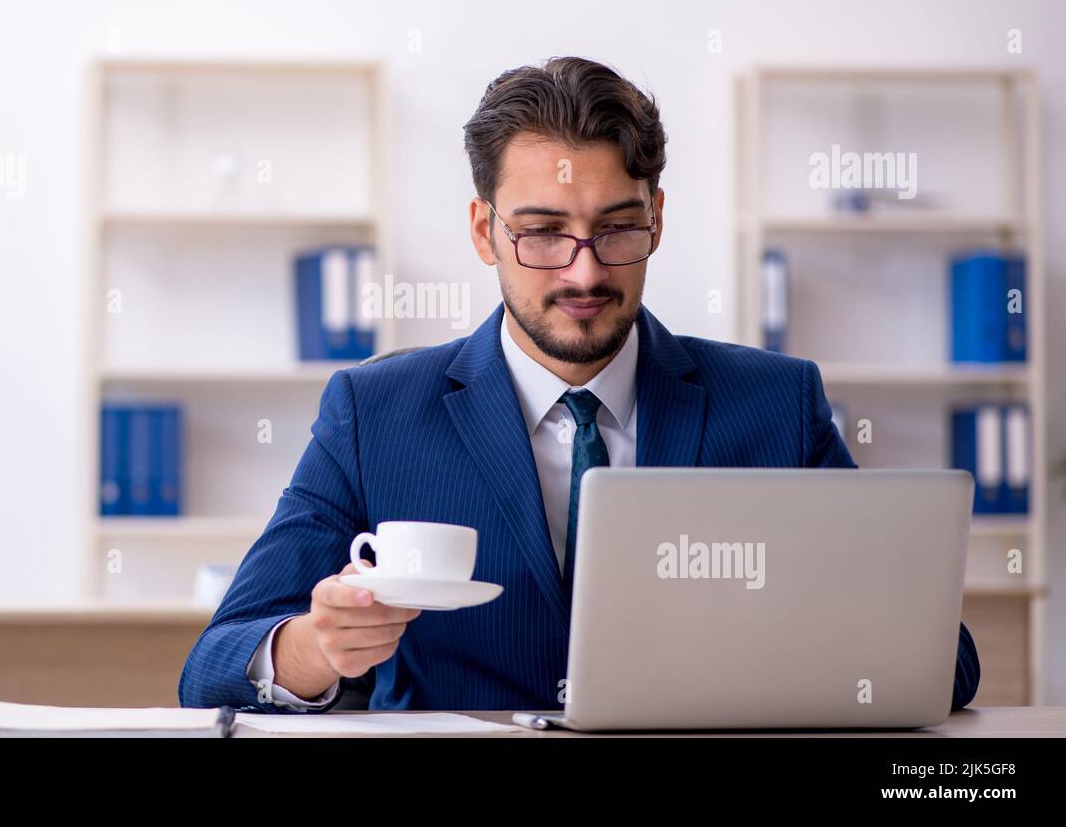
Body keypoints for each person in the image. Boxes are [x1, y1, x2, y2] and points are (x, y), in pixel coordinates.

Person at [178, 55, 980, 714]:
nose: (584, 270)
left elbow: (944, 663)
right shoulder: (374, 412)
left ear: (657, 219)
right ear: (484, 230)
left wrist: (816, 628)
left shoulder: (776, 404)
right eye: (542, 233)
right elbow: (210, 668)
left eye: (617, 227)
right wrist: (315, 650)